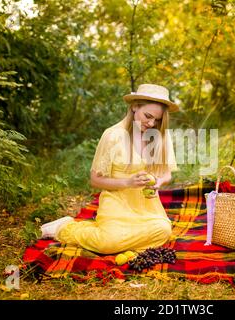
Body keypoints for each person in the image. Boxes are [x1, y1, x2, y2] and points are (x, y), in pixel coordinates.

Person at [40, 83, 180, 255]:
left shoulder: (160, 136)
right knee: (107, 243)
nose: (151, 123)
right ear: (135, 106)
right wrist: (128, 182)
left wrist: (159, 181)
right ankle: (64, 228)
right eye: (148, 116)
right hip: (117, 201)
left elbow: (166, 174)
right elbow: (95, 180)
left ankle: (122, 240)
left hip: (146, 206)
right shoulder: (113, 135)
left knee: (164, 230)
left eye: (157, 120)